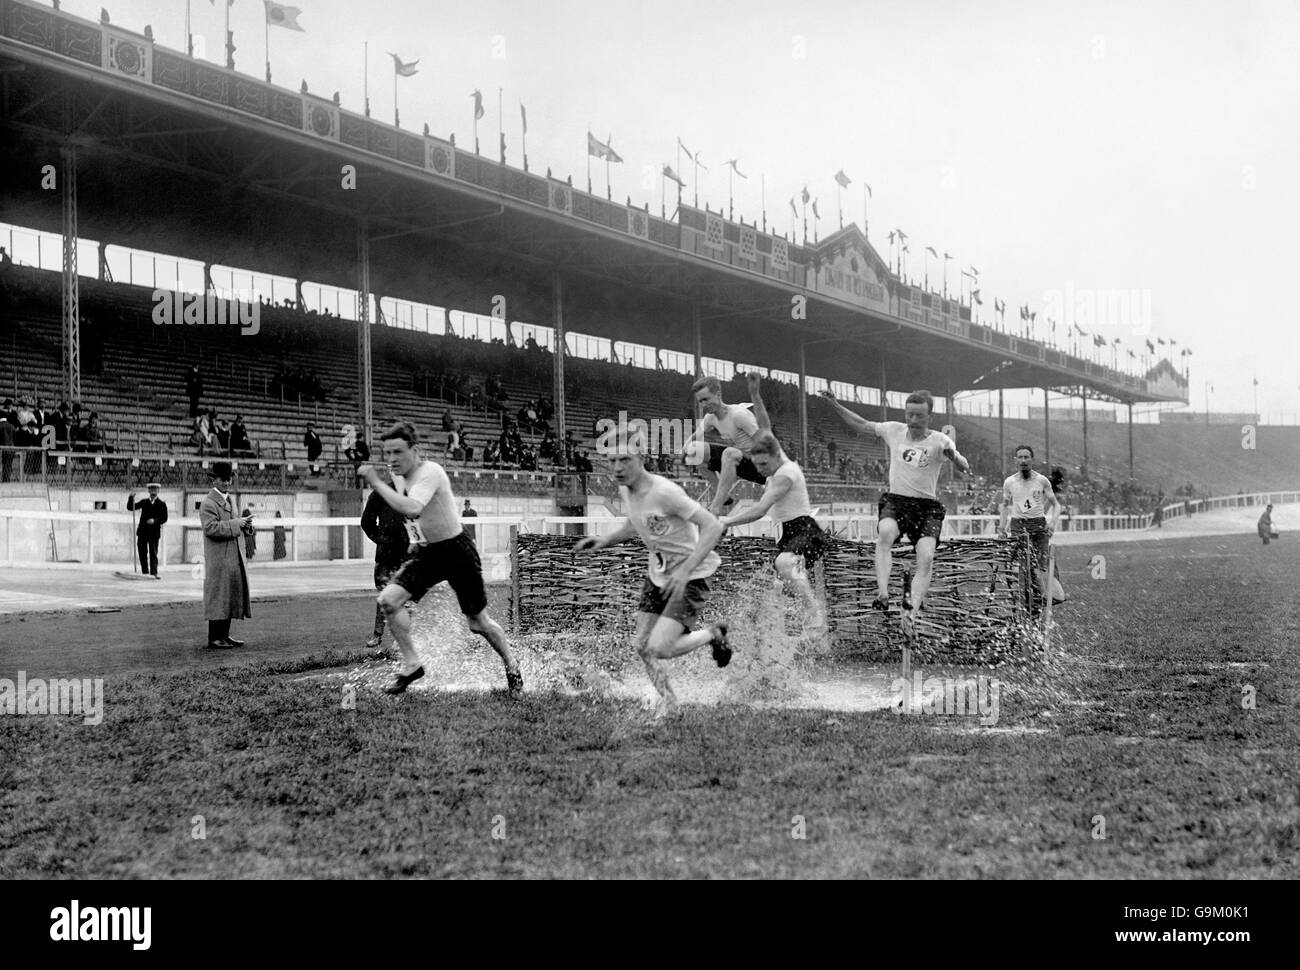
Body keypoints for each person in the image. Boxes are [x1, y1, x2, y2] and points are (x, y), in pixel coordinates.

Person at [360, 422, 522, 697]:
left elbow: (412, 507)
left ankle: (512, 664)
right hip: (428, 552)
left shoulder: (430, 472)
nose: (391, 460)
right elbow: (413, 519)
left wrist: (375, 483)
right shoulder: (399, 479)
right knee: (388, 600)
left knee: (477, 622)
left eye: (398, 452)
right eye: (387, 453)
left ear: (416, 450)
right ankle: (412, 664)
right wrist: (414, 543)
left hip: (457, 551)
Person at [574, 442, 730, 719]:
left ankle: (712, 635)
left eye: (624, 460)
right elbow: (637, 523)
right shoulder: (627, 488)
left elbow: (713, 526)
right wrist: (607, 539)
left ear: (641, 458)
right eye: (611, 461)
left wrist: (684, 570)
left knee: (659, 648)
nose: (617, 468)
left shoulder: (666, 492)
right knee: (643, 646)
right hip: (658, 574)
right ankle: (670, 704)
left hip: (691, 575)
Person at [820, 388, 971, 643]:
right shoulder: (893, 429)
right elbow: (860, 424)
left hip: (926, 507)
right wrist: (834, 404)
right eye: (909, 414)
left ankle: (911, 611)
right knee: (885, 534)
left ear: (929, 417)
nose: (913, 420)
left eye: (919, 416)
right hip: (897, 501)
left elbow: (964, 464)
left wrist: (954, 458)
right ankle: (882, 593)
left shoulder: (939, 441)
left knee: (926, 556)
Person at [684, 375, 765, 514]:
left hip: (759, 466)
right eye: (700, 401)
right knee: (694, 451)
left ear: (718, 394)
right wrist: (684, 450)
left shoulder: (739, 415)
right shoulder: (710, 418)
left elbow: (764, 442)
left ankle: (715, 507)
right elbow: (695, 436)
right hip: (738, 461)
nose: (703, 404)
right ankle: (724, 497)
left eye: (706, 399)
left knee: (729, 453)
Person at [998, 445, 1060, 612]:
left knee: (1040, 567)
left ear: (1032, 460)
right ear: (1015, 460)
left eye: (1026, 457)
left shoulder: (1041, 480)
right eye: (1020, 457)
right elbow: (1004, 507)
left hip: (1038, 525)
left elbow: (1056, 505)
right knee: (1022, 568)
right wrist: (1001, 528)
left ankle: (1045, 598)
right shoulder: (1009, 482)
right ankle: (1026, 603)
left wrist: (1052, 523)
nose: (1023, 461)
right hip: (1018, 525)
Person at [200, 462, 254, 649]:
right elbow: (210, 528)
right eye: (222, 478)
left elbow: (235, 525)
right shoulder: (208, 503)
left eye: (229, 478)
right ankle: (214, 637)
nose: (227, 482)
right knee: (218, 597)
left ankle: (224, 635)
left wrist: (246, 526)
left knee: (229, 595)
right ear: (213, 479)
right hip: (219, 558)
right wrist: (236, 524)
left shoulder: (230, 499)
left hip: (232, 556)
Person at [360, 465, 410, 649]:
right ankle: (377, 635)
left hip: (408, 554)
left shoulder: (413, 493)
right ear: (389, 472)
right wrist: (380, 538)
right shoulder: (380, 493)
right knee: (384, 594)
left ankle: (403, 640)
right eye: (393, 469)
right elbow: (366, 522)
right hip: (386, 555)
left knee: (406, 596)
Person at [127, 483, 168, 578]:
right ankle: (145, 572)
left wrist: (154, 521)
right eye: (151, 490)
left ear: (158, 491)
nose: (153, 492)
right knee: (142, 552)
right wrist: (131, 498)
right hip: (143, 532)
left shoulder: (162, 504)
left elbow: (164, 518)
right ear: (148, 491)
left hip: (154, 533)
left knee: (153, 553)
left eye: (155, 490)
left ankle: (154, 573)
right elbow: (130, 507)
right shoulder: (144, 502)